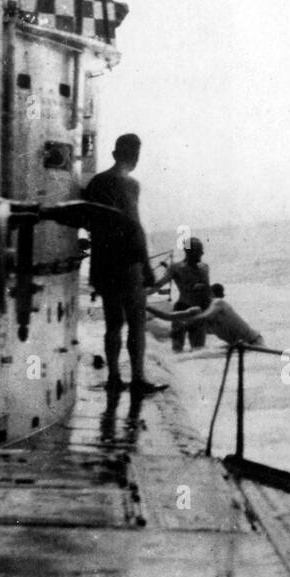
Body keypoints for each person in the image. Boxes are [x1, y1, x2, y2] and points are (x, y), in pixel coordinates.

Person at [82, 134, 164, 394]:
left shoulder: (97, 182)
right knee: (137, 323)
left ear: (114, 153)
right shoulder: (130, 185)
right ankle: (138, 378)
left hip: (103, 261)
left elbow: (90, 222)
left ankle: (114, 377)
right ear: (135, 156)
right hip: (128, 262)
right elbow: (134, 227)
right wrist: (147, 267)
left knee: (113, 323)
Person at [145, 283, 264, 347]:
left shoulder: (218, 303)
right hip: (238, 346)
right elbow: (169, 316)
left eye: (201, 296)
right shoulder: (198, 312)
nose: (198, 299)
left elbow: (204, 317)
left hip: (254, 342)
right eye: (195, 297)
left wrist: (185, 325)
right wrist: (146, 307)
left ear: (208, 295)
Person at [149, 237, 211, 351]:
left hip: (199, 314)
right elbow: (158, 285)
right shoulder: (176, 268)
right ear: (189, 252)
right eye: (199, 250)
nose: (202, 253)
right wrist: (139, 294)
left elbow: (208, 294)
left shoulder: (205, 268)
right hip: (181, 311)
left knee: (199, 352)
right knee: (177, 351)